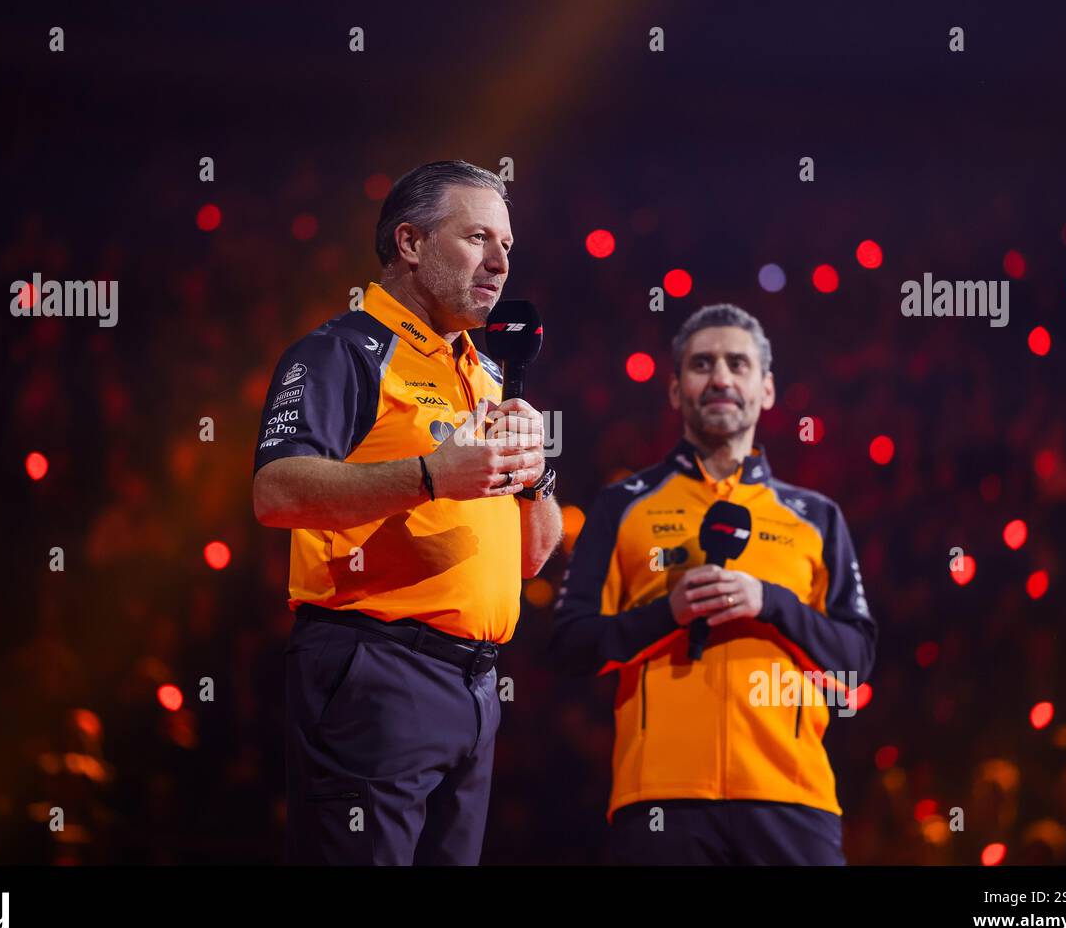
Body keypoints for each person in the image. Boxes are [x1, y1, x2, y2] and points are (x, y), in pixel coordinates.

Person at [253, 160, 562, 865]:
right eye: (477, 237)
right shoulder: (342, 352)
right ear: (411, 243)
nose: (499, 262)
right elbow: (276, 492)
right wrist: (433, 476)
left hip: (476, 684)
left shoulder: (488, 376)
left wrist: (538, 476)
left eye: (507, 247)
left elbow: (533, 556)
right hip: (377, 670)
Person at [550, 303, 876, 865]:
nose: (721, 377)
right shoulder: (621, 506)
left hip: (793, 800)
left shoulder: (817, 517)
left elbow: (857, 662)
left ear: (767, 389)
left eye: (737, 364)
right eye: (702, 364)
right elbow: (570, 647)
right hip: (658, 802)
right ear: (676, 391)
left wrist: (770, 603)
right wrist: (667, 613)